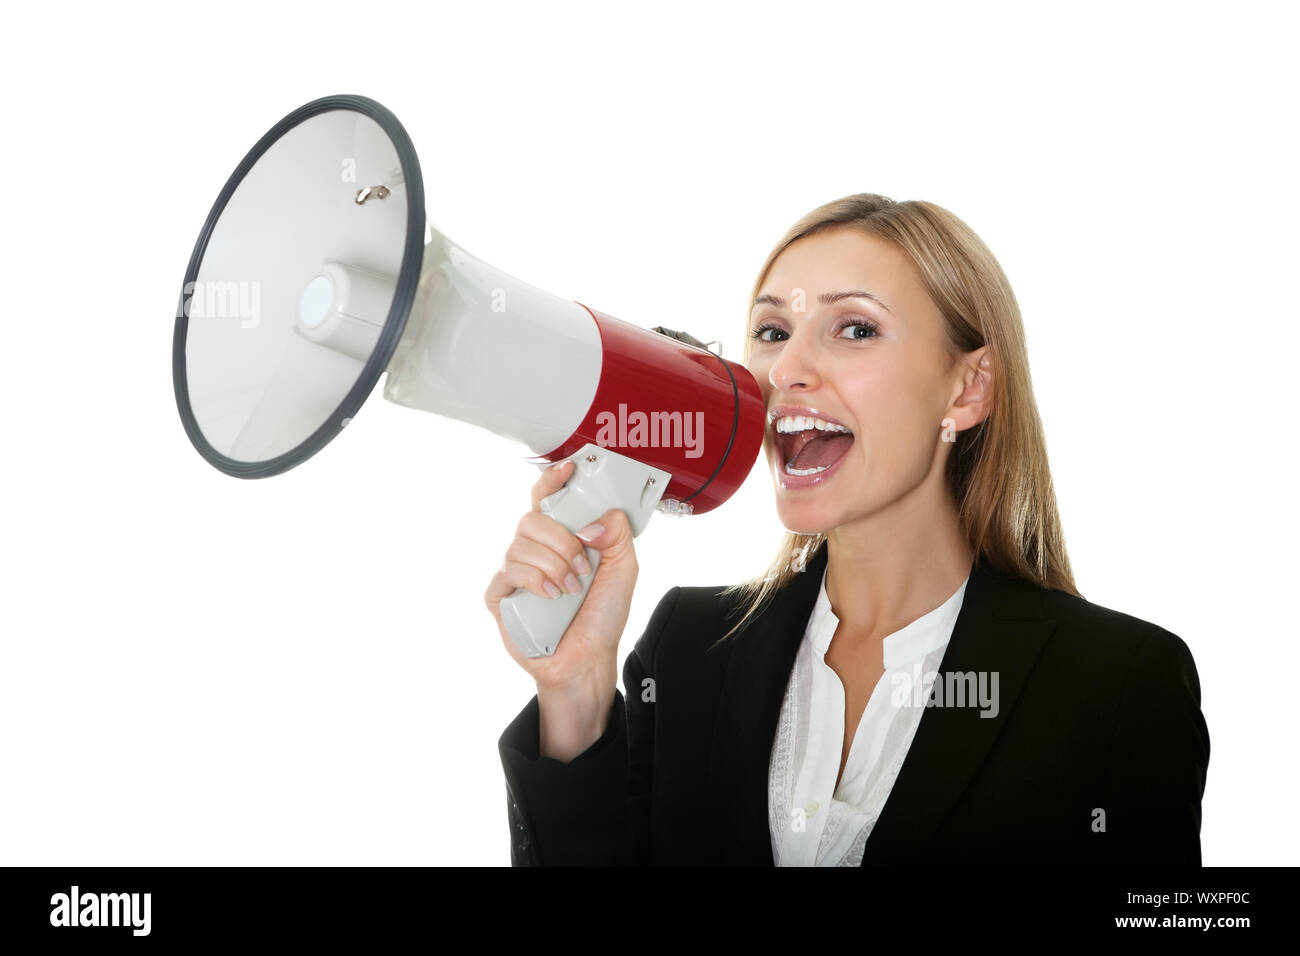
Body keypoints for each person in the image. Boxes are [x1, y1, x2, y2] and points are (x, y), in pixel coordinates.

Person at [485, 193, 1210, 866]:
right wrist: (575, 694)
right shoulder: (685, 649)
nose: (785, 369)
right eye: (771, 332)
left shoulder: (1118, 686)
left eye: (855, 328)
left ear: (967, 389)